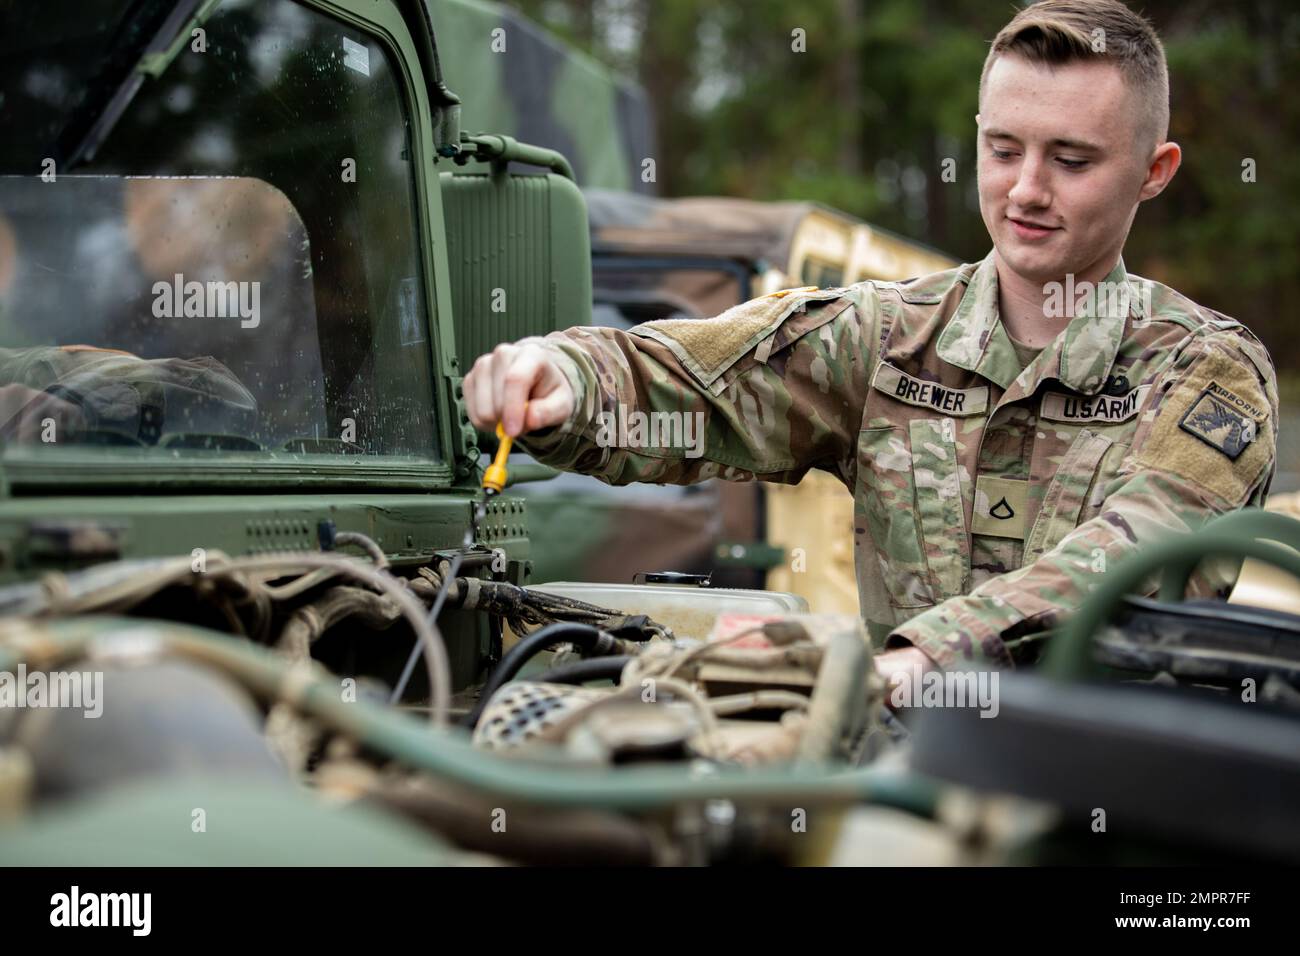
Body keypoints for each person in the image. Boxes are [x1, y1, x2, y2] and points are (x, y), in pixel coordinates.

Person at [463, 0, 1279, 694]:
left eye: (1072, 160)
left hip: (1105, 802)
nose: (1026, 189)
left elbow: (1137, 560)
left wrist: (923, 657)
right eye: (1002, 150)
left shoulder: (1206, 373)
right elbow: (700, 381)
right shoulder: (888, 337)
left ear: (1154, 169)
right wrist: (568, 383)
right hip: (896, 782)